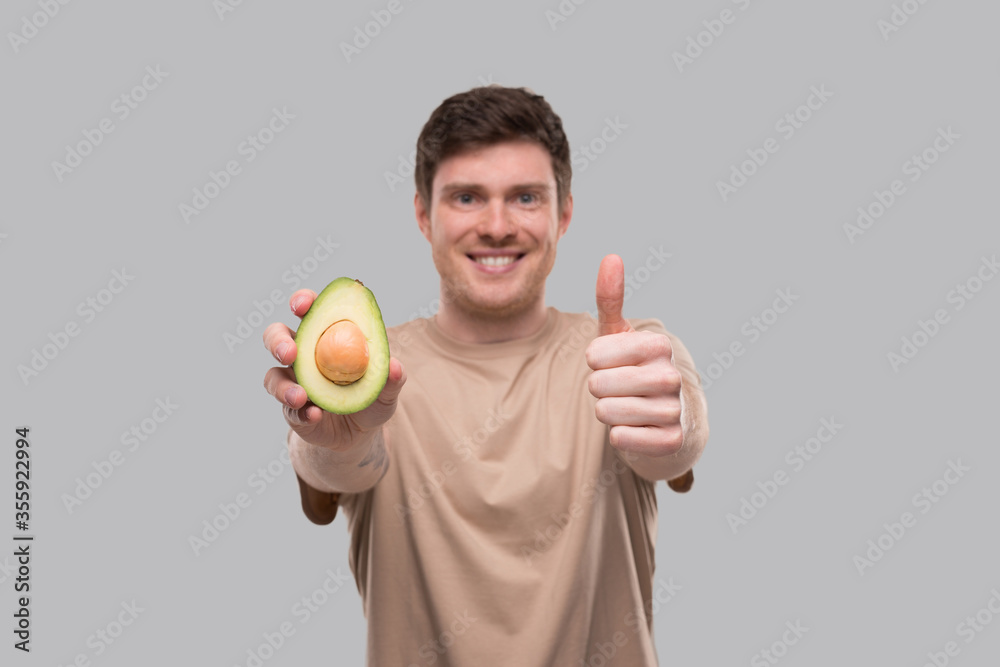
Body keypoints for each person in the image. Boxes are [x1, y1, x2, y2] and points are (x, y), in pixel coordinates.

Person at [262, 85, 709, 666]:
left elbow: (674, 445)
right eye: (467, 197)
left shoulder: (624, 354)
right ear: (423, 214)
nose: (497, 226)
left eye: (525, 196)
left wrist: (678, 422)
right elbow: (337, 474)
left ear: (564, 212)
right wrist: (328, 438)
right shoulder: (380, 371)